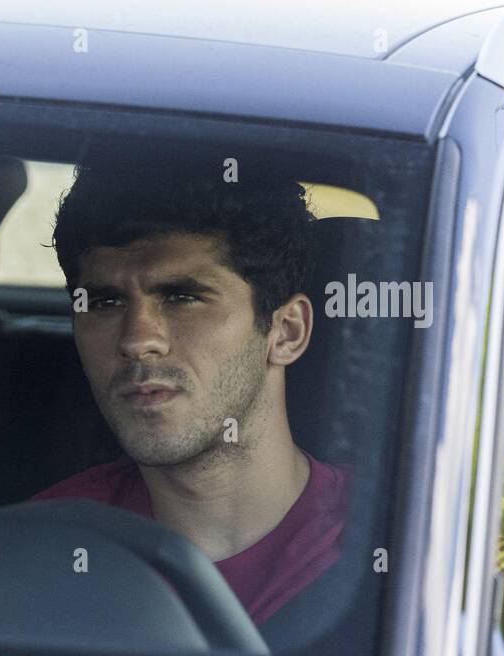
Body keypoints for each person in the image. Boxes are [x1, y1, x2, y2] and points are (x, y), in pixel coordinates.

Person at [31, 160, 350, 626]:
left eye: (181, 297)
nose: (137, 340)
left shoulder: (401, 544)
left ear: (285, 332)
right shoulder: (40, 553)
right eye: (105, 302)